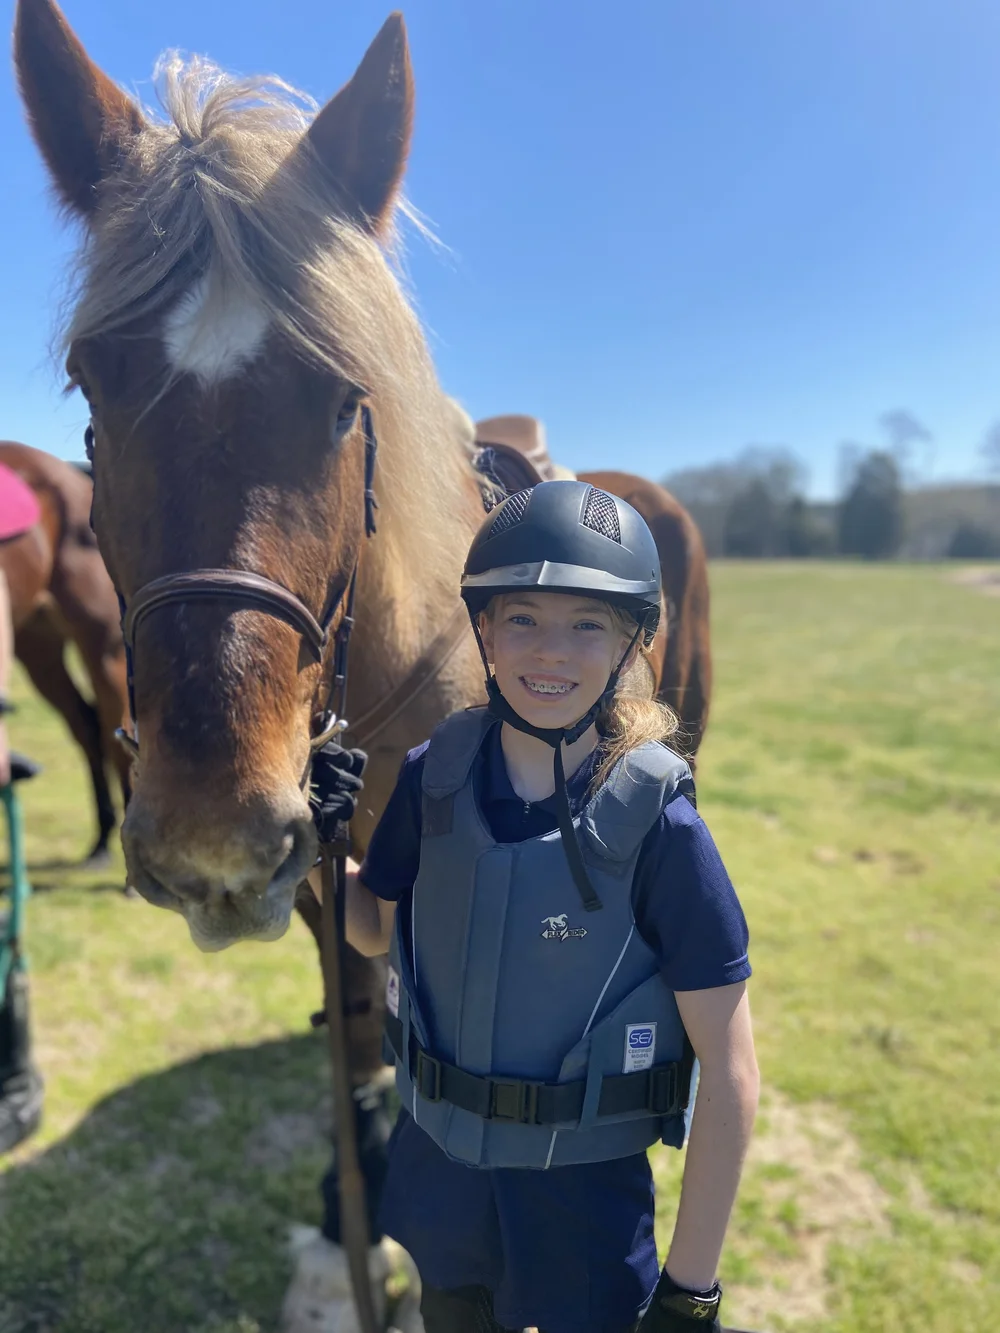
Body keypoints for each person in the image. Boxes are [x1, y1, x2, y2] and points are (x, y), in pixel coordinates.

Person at [312, 480, 759, 1333]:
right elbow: (373, 929)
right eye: (522, 617)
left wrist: (692, 1286)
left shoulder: (659, 821)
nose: (551, 651)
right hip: (444, 1187)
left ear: (631, 640)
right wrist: (318, 843)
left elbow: (731, 1070)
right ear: (483, 629)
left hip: (580, 1214)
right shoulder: (433, 774)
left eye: (588, 623)